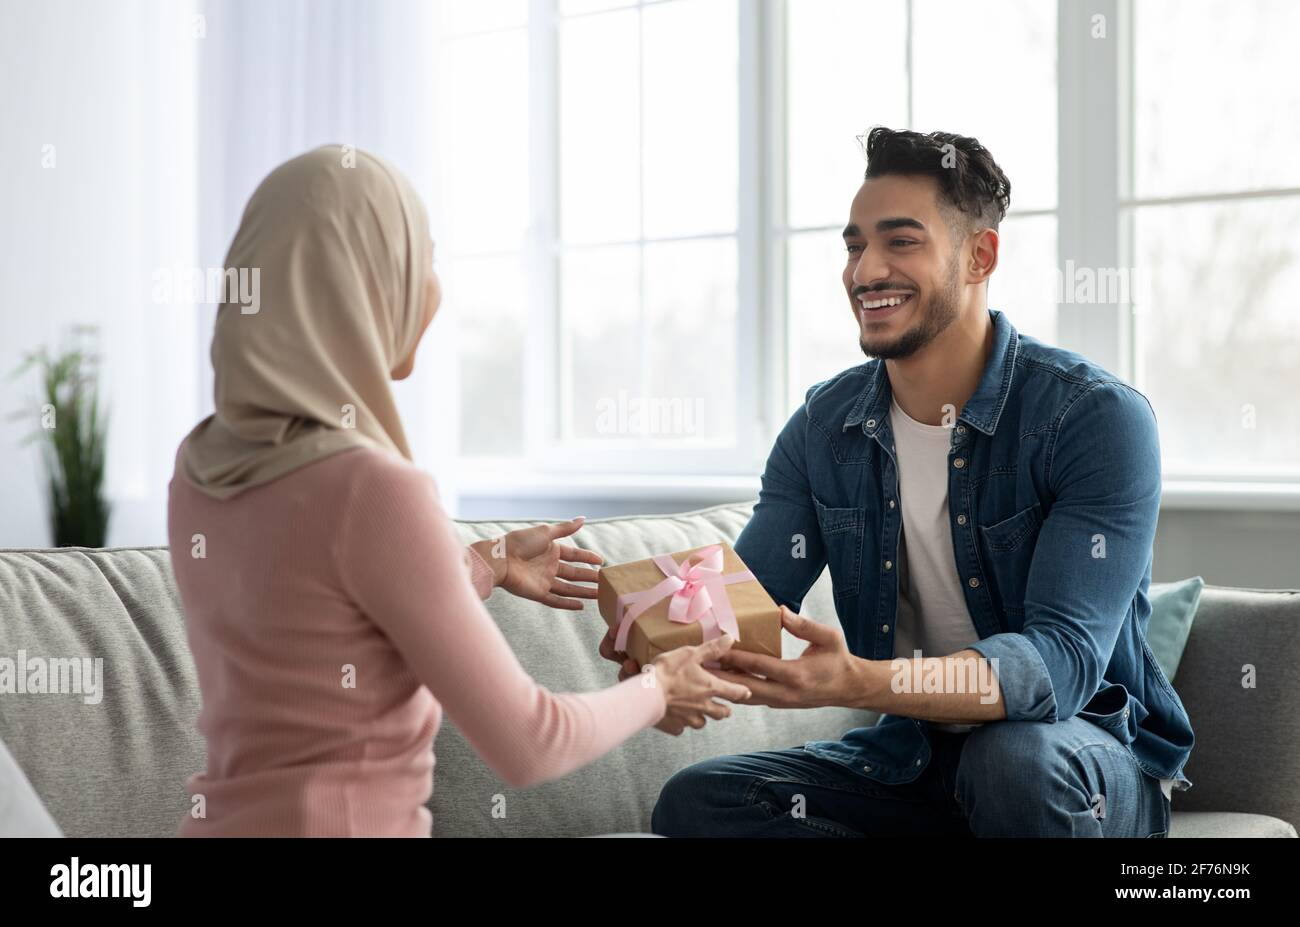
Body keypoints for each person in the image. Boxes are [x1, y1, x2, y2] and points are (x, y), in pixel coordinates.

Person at [609, 127, 1194, 838]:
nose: (865, 271)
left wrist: (861, 680)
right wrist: (661, 648)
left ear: (980, 256)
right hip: (912, 758)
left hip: (1081, 754)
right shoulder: (825, 426)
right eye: (855, 246)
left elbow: (1060, 667)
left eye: (901, 241)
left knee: (1012, 762)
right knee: (700, 800)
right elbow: (749, 597)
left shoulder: (1094, 418)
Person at [168, 145, 751, 836]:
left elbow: (326, 627)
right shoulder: (372, 488)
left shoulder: (200, 465)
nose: (434, 288)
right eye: (424, 258)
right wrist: (661, 688)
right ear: (362, 282)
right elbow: (531, 739)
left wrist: (487, 562)